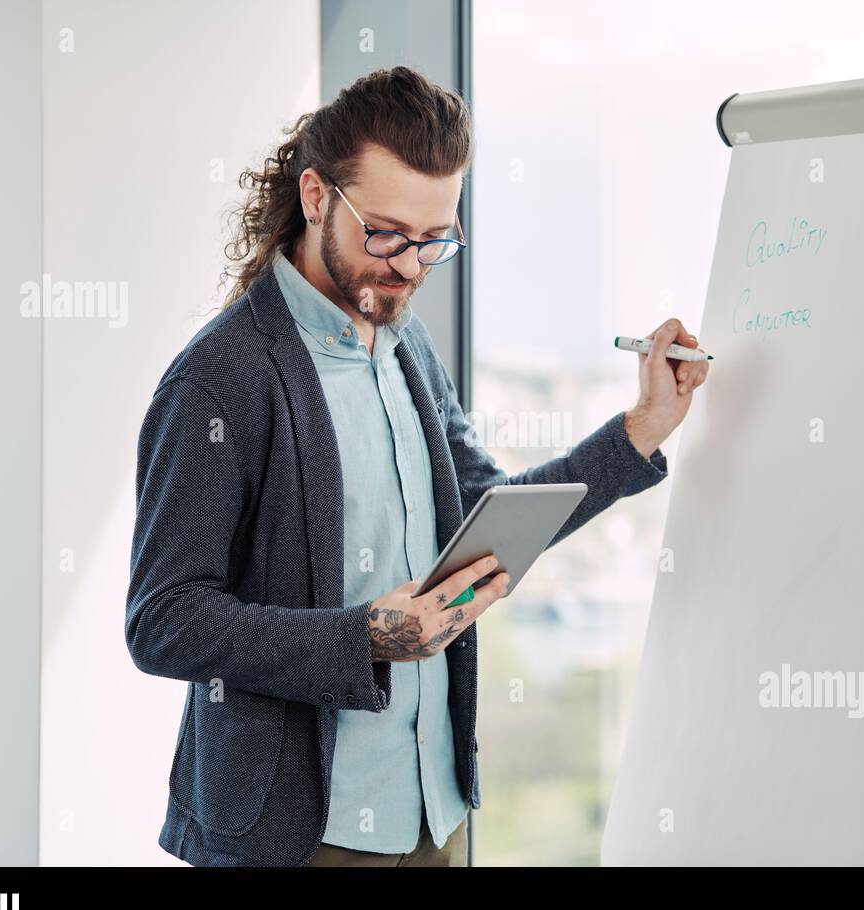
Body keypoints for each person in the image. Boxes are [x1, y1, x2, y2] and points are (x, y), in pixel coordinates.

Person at [124, 66, 709, 867]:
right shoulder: (221, 381)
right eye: (388, 234)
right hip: (301, 835)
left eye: (435, 241)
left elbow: (480, 509)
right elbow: (164, 620)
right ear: (318, 197)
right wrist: (360, 637)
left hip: (435, 812)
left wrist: (641, 430)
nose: (408, 266)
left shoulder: (406, 347)